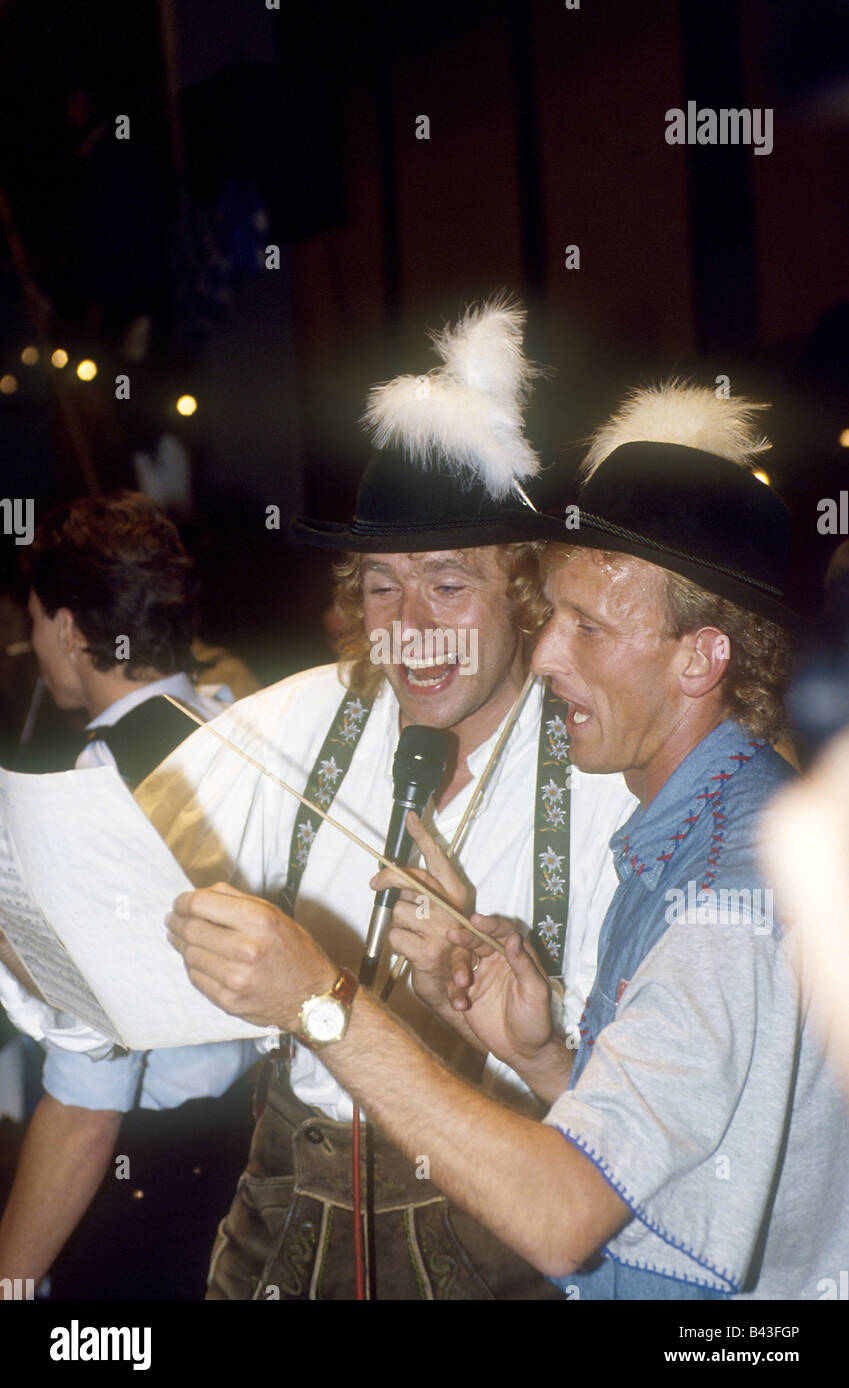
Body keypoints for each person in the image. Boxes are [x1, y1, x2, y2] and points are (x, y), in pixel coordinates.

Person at [169, 381, 849, 1299]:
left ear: (701, 657)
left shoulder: (725, 892)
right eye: (381, 586)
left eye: (587, 627)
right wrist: (534, 1055)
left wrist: (318, 1000)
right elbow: (664, 1156)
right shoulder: (676, 839)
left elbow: (566, 1220)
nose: (546, 655)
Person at [138, 299, 636, 1299]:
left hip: (497, 1253)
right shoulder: (306, 718)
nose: (408, 626)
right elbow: (117, 863)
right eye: (379, 587)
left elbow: (634, 1137)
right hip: (276, 1251)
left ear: (525, 597)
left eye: (449, 585)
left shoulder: (604, 782)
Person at [0, 491, 256, 1298]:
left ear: (71, 630)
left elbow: (90, 1077)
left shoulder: (92, 792)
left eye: (37, 618)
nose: (32, 639)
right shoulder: (245, 727)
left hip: (143, 1176)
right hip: (256, 1157)